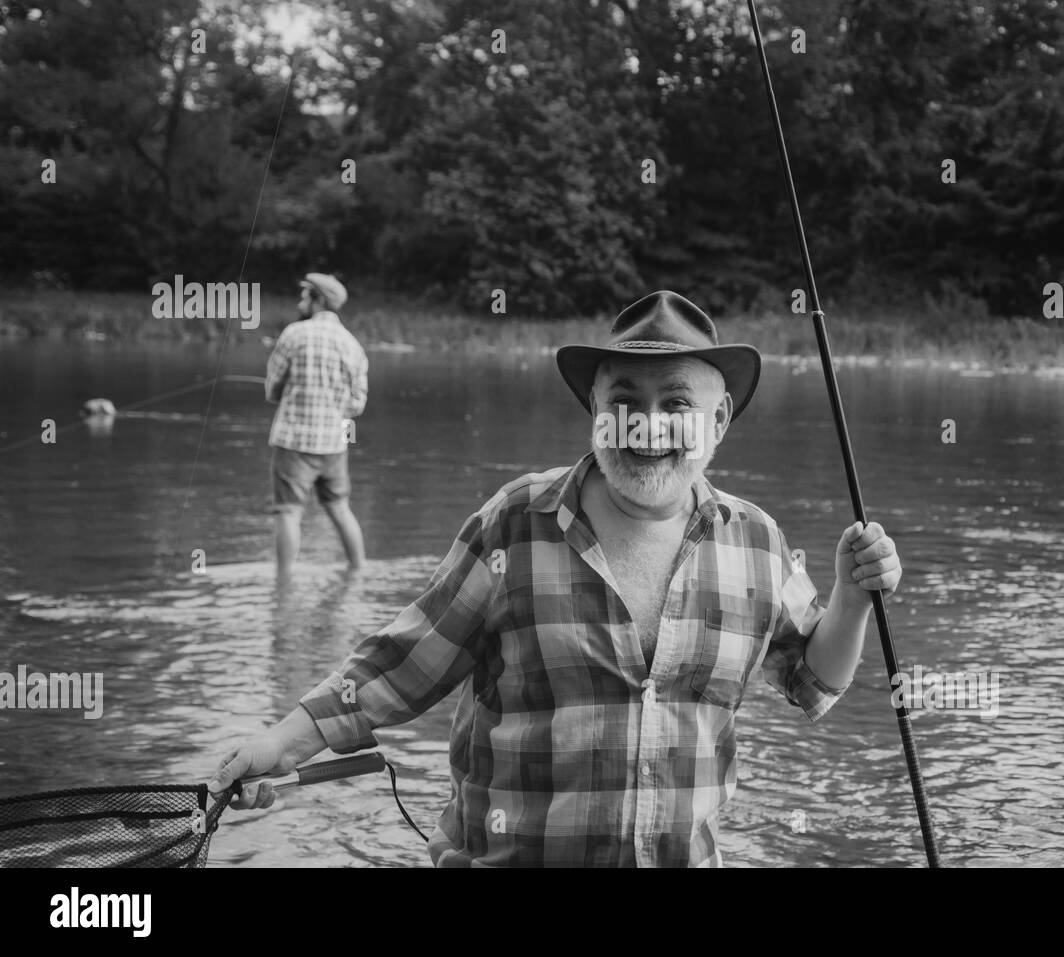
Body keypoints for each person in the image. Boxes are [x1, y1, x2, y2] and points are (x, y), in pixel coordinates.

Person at [212, 290, 902, 866]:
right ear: (596, 411)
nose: (647, 423)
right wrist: (278, 743)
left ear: (717, 420)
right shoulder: (515, 521)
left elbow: (814, 681)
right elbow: (400, 665)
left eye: (676, 403)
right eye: (625, 398)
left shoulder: (756, 541)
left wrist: (851, 597)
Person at [265, 273, 369, 576]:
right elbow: (358, 403)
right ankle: (359, 571)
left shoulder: (294, 334)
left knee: (288, 512)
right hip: (335, 445)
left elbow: (272, 389)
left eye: (304, 296)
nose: (300, 302)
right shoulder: (353, 345)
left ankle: (282, 584)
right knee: (339, 508)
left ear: (318, 300)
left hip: (294, 442)